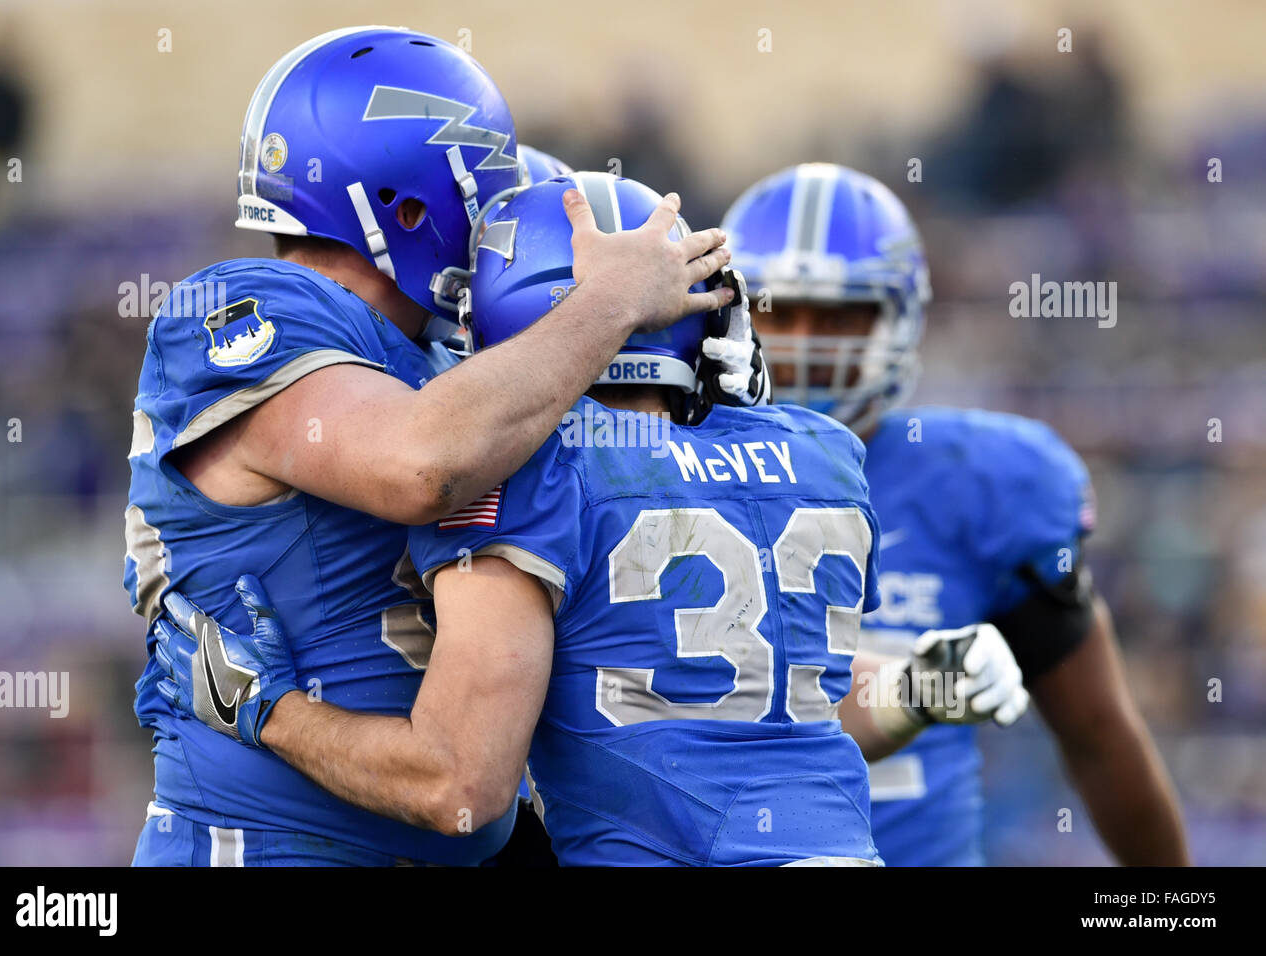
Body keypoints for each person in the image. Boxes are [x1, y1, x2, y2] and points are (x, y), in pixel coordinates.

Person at [150, 173, 1030, 866]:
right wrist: (915, 689)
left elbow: (460, 783)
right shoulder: (817, 452)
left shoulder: (531, 473)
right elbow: (750, 716)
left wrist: (266, 712)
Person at [125, 27, 747, 867]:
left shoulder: (440, 362)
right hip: (258, 848)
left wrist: (692, 385)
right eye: (487, 197)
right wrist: (609, 308)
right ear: (411, 208)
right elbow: (423, 464)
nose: (494, 228)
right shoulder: (247, 305)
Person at [722, 162, 1189, 866]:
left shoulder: (986, 484)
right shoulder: (656, 467)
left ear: (901, 320)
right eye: (778, 311)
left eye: (842, 316)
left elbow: (1097, 733)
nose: (807, 343)